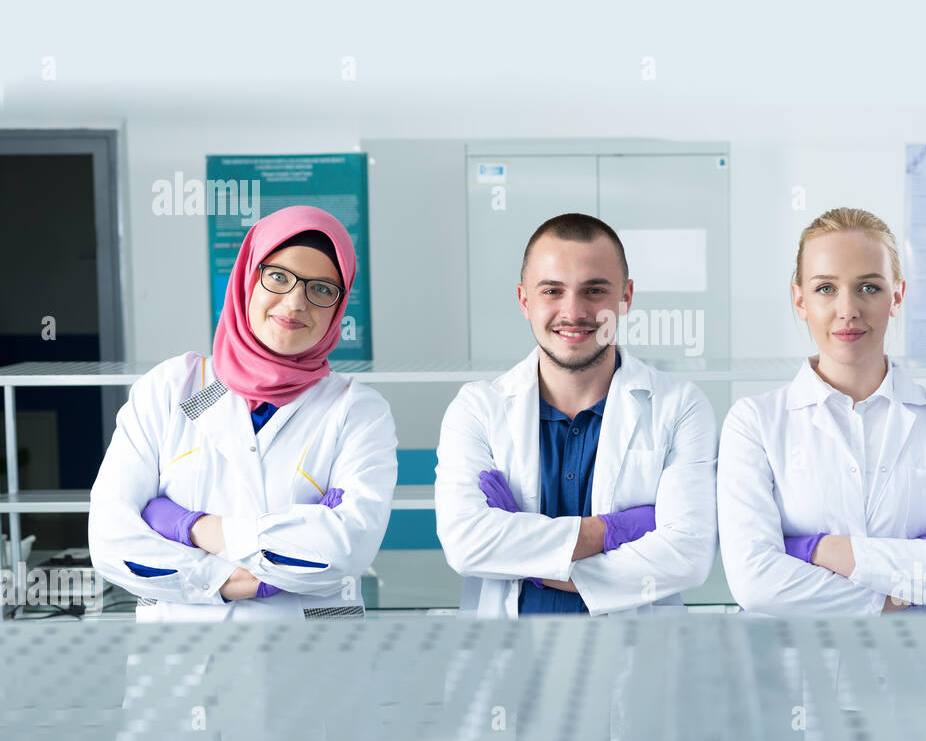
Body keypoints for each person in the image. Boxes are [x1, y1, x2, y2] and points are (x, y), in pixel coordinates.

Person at [89, 205, 398, 622]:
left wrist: (190, 527)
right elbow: (111, 540)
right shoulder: (175, 390)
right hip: (184, 665)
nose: (294, 303)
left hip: (315, 664)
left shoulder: (355, 410)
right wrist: (241, 579)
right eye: (278, 276)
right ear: (247, 277)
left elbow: (346, 549)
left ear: (338, 307)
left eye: (321, 289)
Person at [718, 207, 926, 616]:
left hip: (921, 667)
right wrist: (895, 593)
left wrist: (819, 550)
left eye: (868, 288)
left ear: (897, 296)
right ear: (799, 300)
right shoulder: (754, 423)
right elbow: (755, 581)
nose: (847, 309)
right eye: (825, 289)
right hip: (797, 669)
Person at [435, 212, 717, 618]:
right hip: (507, 659)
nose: (574, 311)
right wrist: (612, 531)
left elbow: (687, 555)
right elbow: (466, 544)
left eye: (594, 290)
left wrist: (523, 555)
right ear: (524, 300)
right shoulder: (477, 409)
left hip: (638, 662)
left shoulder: (680, 406)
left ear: (626, 297)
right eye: (552, 290)